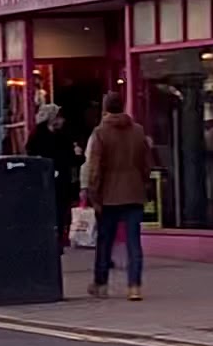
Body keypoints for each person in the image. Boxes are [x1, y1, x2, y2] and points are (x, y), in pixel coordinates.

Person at [84, 92, 153, 301]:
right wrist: (143, 182)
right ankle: (134, 287)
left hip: (108, 195)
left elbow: (94, 168)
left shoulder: (100, 133)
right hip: (134, 192)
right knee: (134, 242)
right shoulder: (138, 131)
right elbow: (146, 164)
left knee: (105, 241)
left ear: (105, 108)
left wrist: (93, 193)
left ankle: (101, 284)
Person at [26, 103, 85, 252]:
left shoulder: (63, 136)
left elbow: (72, 160)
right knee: (46, 212)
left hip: (61, 182)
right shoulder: (37, 136)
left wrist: (78, 155)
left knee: (60, 212)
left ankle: (57, 241)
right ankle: (46, 241)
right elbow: (32, 157)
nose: (62, 120)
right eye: (59, 117)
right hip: (43, 181)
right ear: (52, 118)